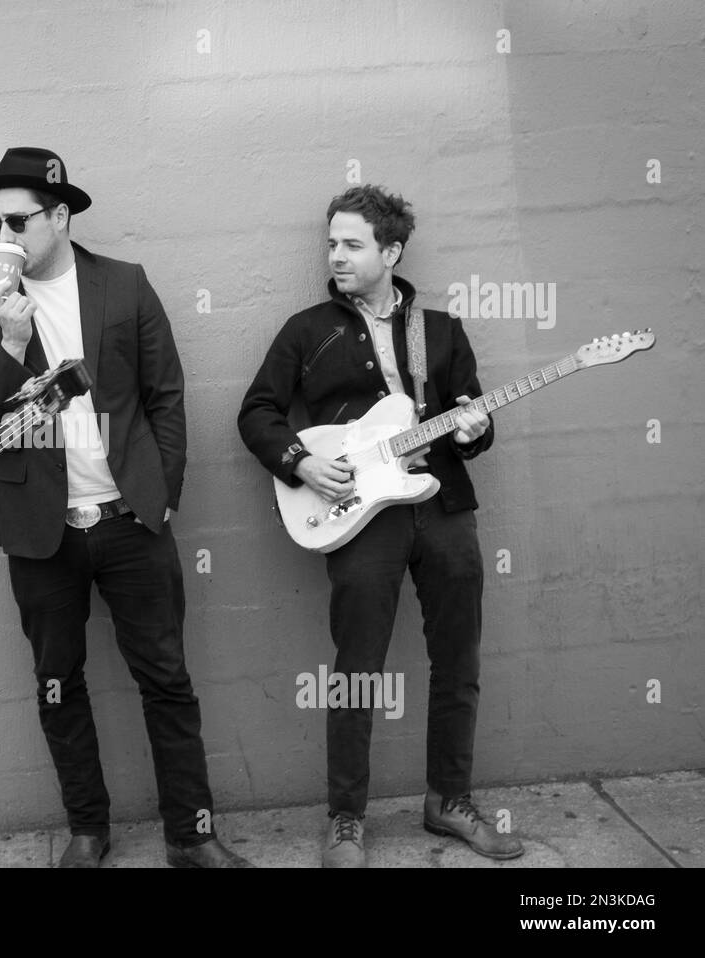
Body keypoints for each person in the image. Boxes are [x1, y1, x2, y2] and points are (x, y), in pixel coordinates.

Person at [0, 147, 249, 868]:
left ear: (59, 216)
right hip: (40, 533)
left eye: (16, 219)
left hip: (130, 521)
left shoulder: (124, 285)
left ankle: (193, 834)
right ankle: (88, 830)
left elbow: (166, 395)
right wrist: (11, 339)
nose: (1, 234)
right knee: (58, 684)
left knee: (167, 681)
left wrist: (163, 493)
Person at [238, 184, 524, 867]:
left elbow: (470, 429)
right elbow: (256, 414)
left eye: (351, 244)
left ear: (391, 251)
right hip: (362, 522)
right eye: (331, 243)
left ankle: (448, 801)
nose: (335, 255)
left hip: (444, 510)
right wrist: (301, 462)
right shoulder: (306, 331)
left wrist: (477, 427)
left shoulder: (442, 331)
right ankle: (346, 819)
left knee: (459, 661)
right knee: (357, 670)